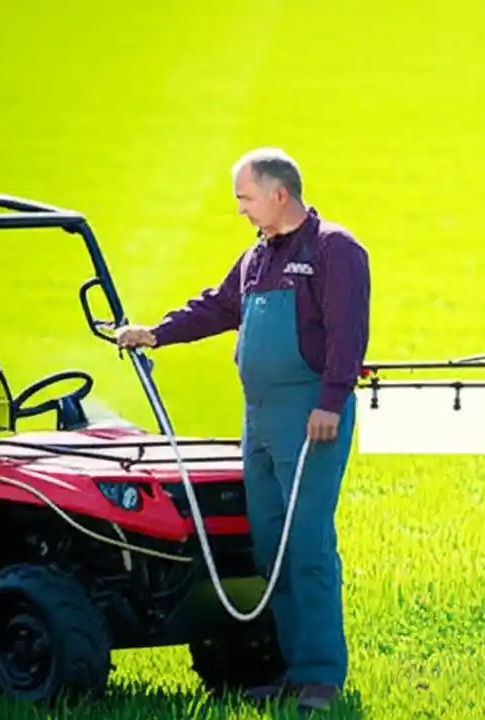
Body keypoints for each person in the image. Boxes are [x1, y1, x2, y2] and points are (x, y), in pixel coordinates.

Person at [115, 147, 370, 713]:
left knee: (306, 544)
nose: (241, 211)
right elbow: (217, 306)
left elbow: (348, 334)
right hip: (258, 420)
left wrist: (331, 401)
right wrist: (155, 333)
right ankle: (286, 668)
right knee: (270, 545)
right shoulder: (257, 258)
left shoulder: (335, 250)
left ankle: (322, 676)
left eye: (245, 198)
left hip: (310, 418)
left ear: (280, 194)